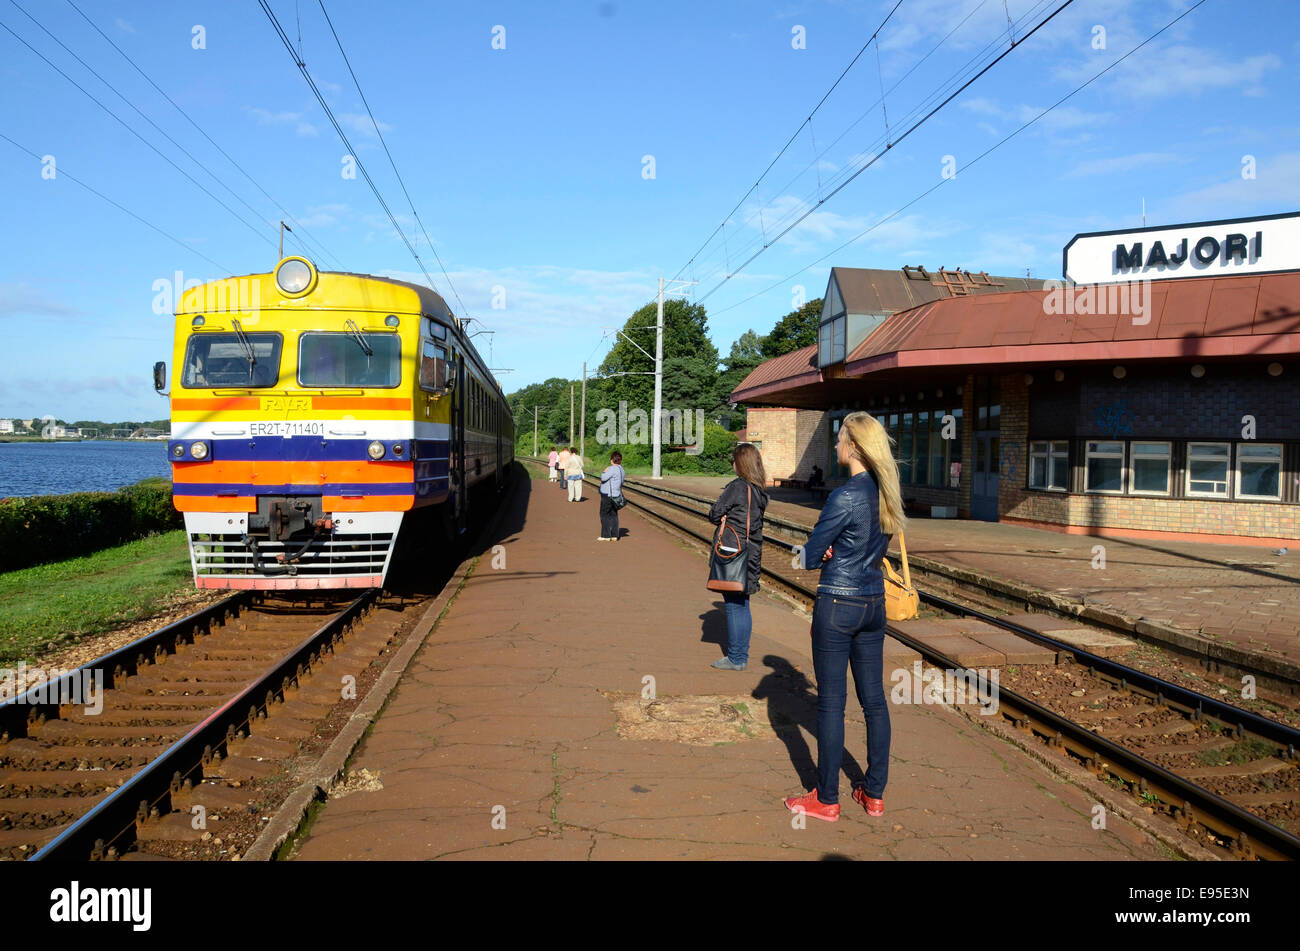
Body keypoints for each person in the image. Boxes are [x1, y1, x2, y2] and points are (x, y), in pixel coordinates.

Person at [784, 411, 905, 823]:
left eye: (839, 440)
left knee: (831, 704)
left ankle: (827, 799)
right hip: (874, 605)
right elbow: (870, 545)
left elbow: (810, 554)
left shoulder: (845, 495)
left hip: (838, 605)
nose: (835, 446)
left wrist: (823, 551)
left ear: (853, 446)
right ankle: (873, 794)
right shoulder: (886, 492)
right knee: (874, 700)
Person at [706, 443, 769, 671]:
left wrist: (723, 516)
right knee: (743, 604)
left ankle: (735, 658)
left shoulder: (738, 486)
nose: (732, 464)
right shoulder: (759, 490)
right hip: (752, 553)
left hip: (733, 553)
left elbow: (714, 514)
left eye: (734, 460)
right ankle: (740, 655)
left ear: (740, 464)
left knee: (733, 605)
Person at [598, 451, 626, 540]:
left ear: (612, 460)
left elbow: (603, 478)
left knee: (604, 514)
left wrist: (604, 471)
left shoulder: (612, 469)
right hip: (616, 495)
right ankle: (615, 535)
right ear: (620, 460)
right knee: (614, 514)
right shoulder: (622, 469)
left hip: (608, 495)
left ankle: (605, 536)